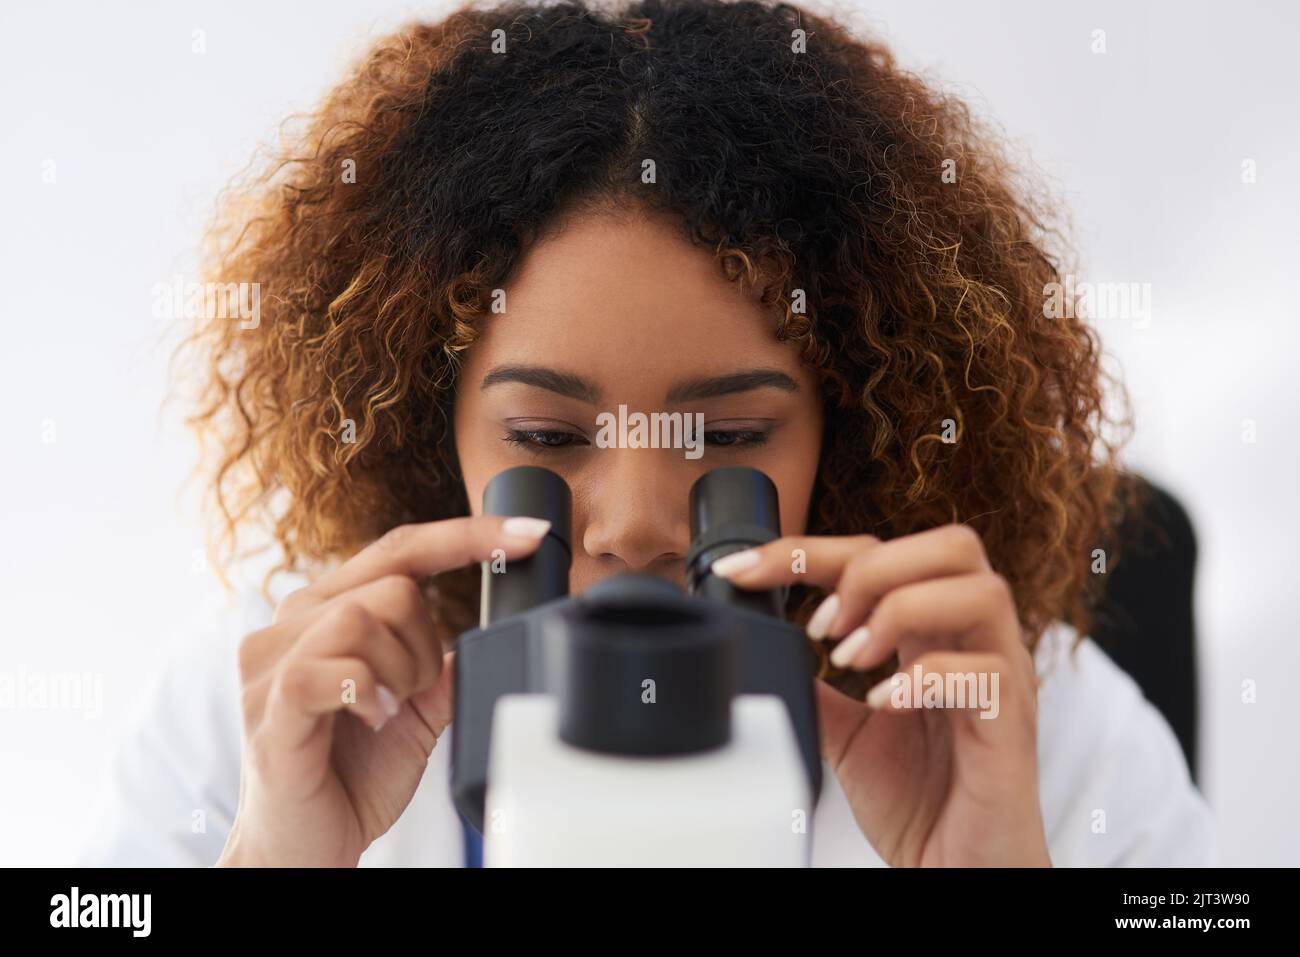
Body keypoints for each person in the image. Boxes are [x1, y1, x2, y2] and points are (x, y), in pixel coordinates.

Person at [78, 0, 1213, 867]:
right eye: (547, 438)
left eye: (726, 436)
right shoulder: (279, 704)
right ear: (433, 431)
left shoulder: (1016, 718)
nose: (631, 523)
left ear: (856, 428)